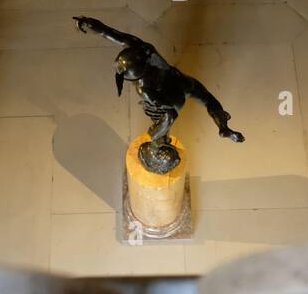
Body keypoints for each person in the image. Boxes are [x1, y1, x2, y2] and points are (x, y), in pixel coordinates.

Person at [73, 15, 244, 174]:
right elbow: (109, 32)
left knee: (162, 121)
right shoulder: (143, 48)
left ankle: (157, 143)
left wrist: (156, 133)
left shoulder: (144, 88)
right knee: (207, 99)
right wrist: (87, 23)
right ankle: (223, 126)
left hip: (172, 99)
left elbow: (170, 113)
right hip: (180, 81)